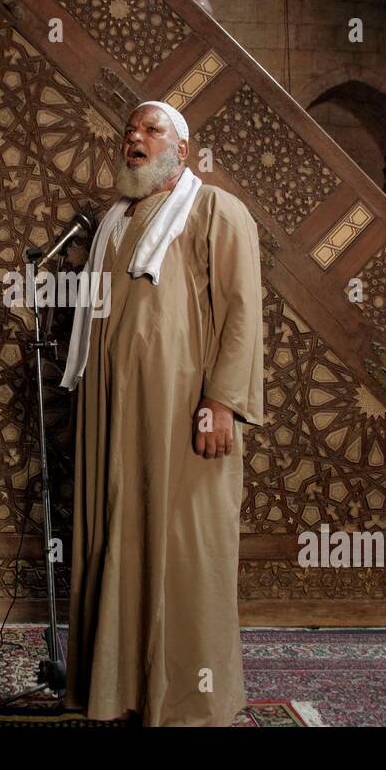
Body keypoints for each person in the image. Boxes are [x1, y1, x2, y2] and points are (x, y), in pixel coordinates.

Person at [60, 100, 265, 727]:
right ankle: (119, 690)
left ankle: (190, 702)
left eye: (150, 130)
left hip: (184, 417)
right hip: (114, 413)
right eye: (130, 130)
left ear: (183, 147)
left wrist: (222, 403)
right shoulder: (113, 221)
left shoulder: (217, 211)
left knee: (187, 547)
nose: (134, 139)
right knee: (115, 533)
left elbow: (241, 313)